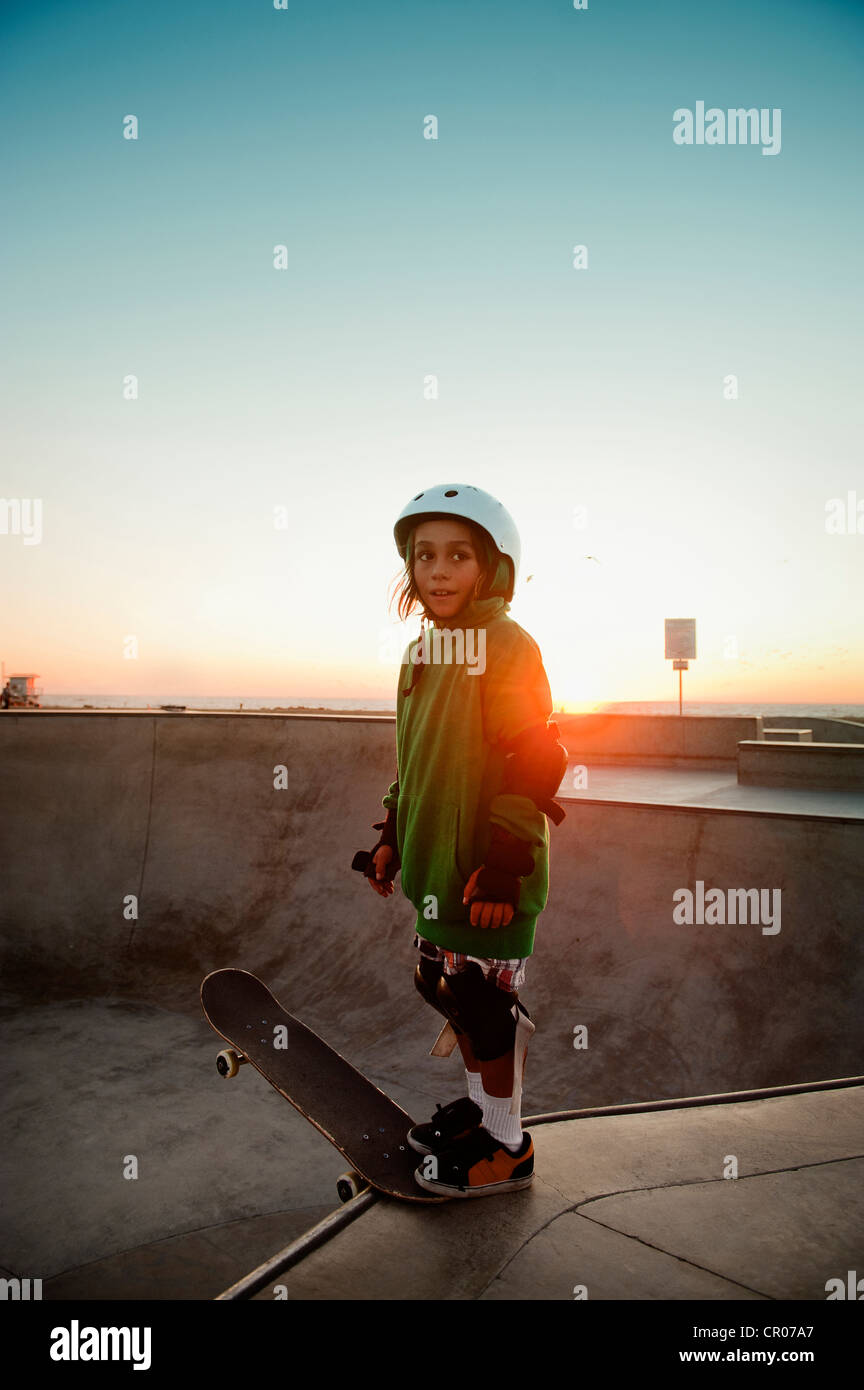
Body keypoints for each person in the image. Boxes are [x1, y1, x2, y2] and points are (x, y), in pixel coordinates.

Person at [356, 484, 567, 1197]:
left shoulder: (507, 646)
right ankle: (481, 1115)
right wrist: (391, 835)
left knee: (481, 1003)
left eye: (458, 555)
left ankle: (507, 1146)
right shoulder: (421, 651)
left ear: (493, 567)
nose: (438, 570)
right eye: (424, 556)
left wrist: (505, 867)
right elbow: (411, 761)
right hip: (436, 869)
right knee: (442, 985)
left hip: (489, 876)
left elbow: (533, 758)